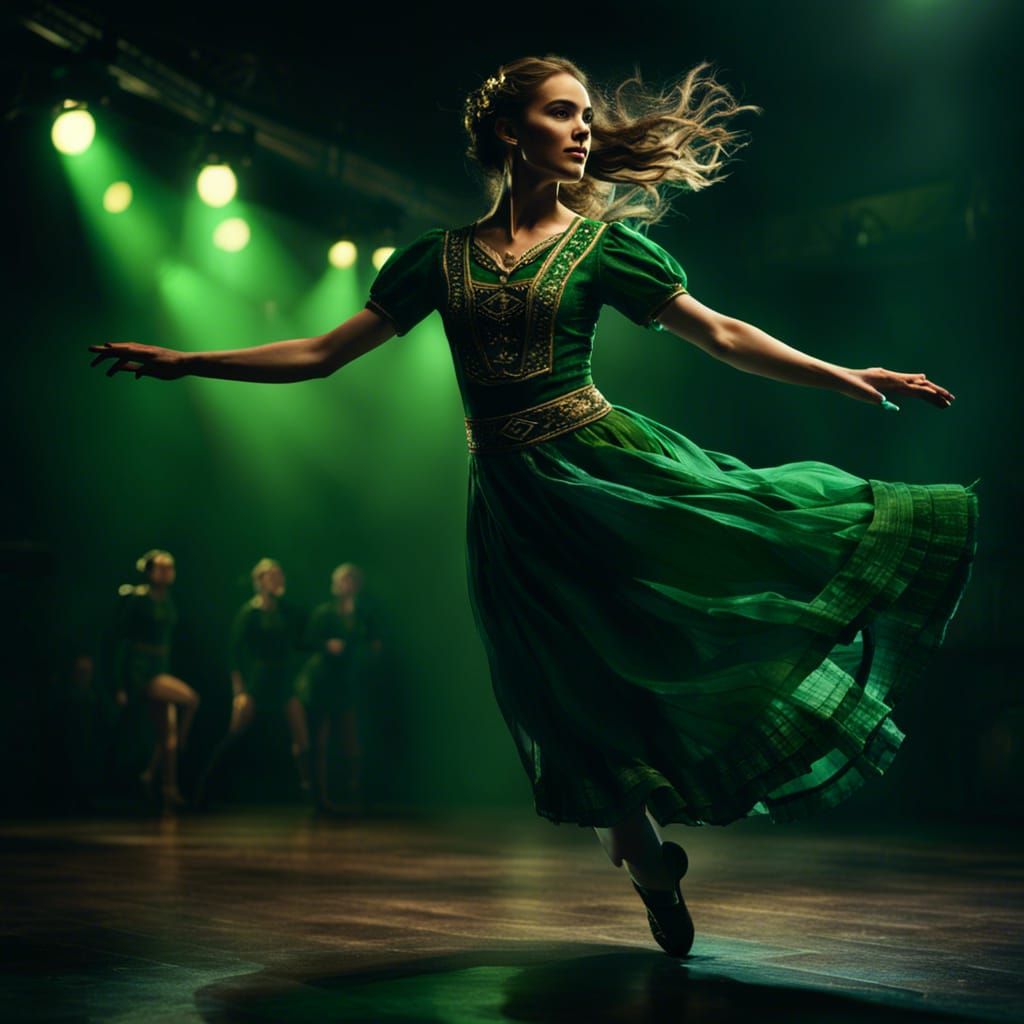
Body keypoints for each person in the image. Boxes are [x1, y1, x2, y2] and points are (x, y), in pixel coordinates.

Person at [89, 55, 979, 957]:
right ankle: (652, 874)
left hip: (609, 478)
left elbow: (719, 332)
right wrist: (192, 362)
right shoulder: (435, 261)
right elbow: (323, 352)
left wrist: (841, 375)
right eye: (564, 113)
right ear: (512, 132)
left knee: (659, 641)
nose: (587, 128)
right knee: (557, 707)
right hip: (512, 511)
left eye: (588, 114)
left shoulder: (604, 249)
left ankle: (661, 840)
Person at [195, 558, 308, 808]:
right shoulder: (249, 612)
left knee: (301, 737)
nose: (278, 581)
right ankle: (205, 791)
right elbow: (234, 653)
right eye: (272, 576)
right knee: (236, 733)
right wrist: (239, 689)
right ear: (260, 581)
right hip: (260, 678)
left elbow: (301, 643)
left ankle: (310, 791)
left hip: (283, 679)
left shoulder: (288, 611)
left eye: (280, 576)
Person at [111, 550, 200, 812]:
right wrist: (118, 683)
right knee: (191, 700)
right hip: (143, 670)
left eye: (170, 568)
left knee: (167, 737)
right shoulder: (138, 599)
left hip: (161, 666)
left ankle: (160, 783)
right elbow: (121, 641)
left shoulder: (169, 600)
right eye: (161, 568)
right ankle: (179, 749)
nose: (167, 573)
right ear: (149, 572)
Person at [294, 562, 382, 814]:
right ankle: (319, 797)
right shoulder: (324, 612)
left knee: (351, 739)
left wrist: (367, 652)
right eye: (339, 580)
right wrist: (326, 645)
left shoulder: (363, 614)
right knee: (319, 739)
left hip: (346, 680)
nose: (342, 584)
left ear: (355, 584)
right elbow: (306, 641)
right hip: (322, 680)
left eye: (347, 580)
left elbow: (374, 644)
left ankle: (354, 793)